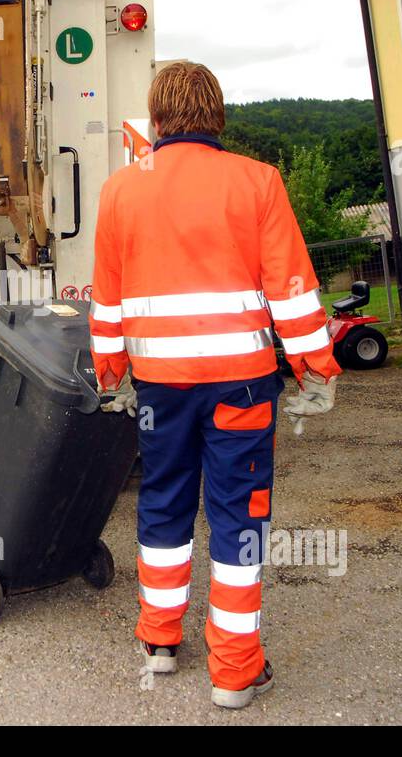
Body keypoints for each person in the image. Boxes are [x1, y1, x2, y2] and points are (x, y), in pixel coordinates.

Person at [89, 60, 341, 709]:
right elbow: (289, 288)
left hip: (160, 390)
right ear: (216, 112)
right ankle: (233, 672)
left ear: (157, 116)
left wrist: (110, 371)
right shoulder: (257, 181)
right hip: (243, 389)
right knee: (240, 517)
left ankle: (159, 640)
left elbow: (108, 300)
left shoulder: (122, 189)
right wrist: (316, 364)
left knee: (164, 501)